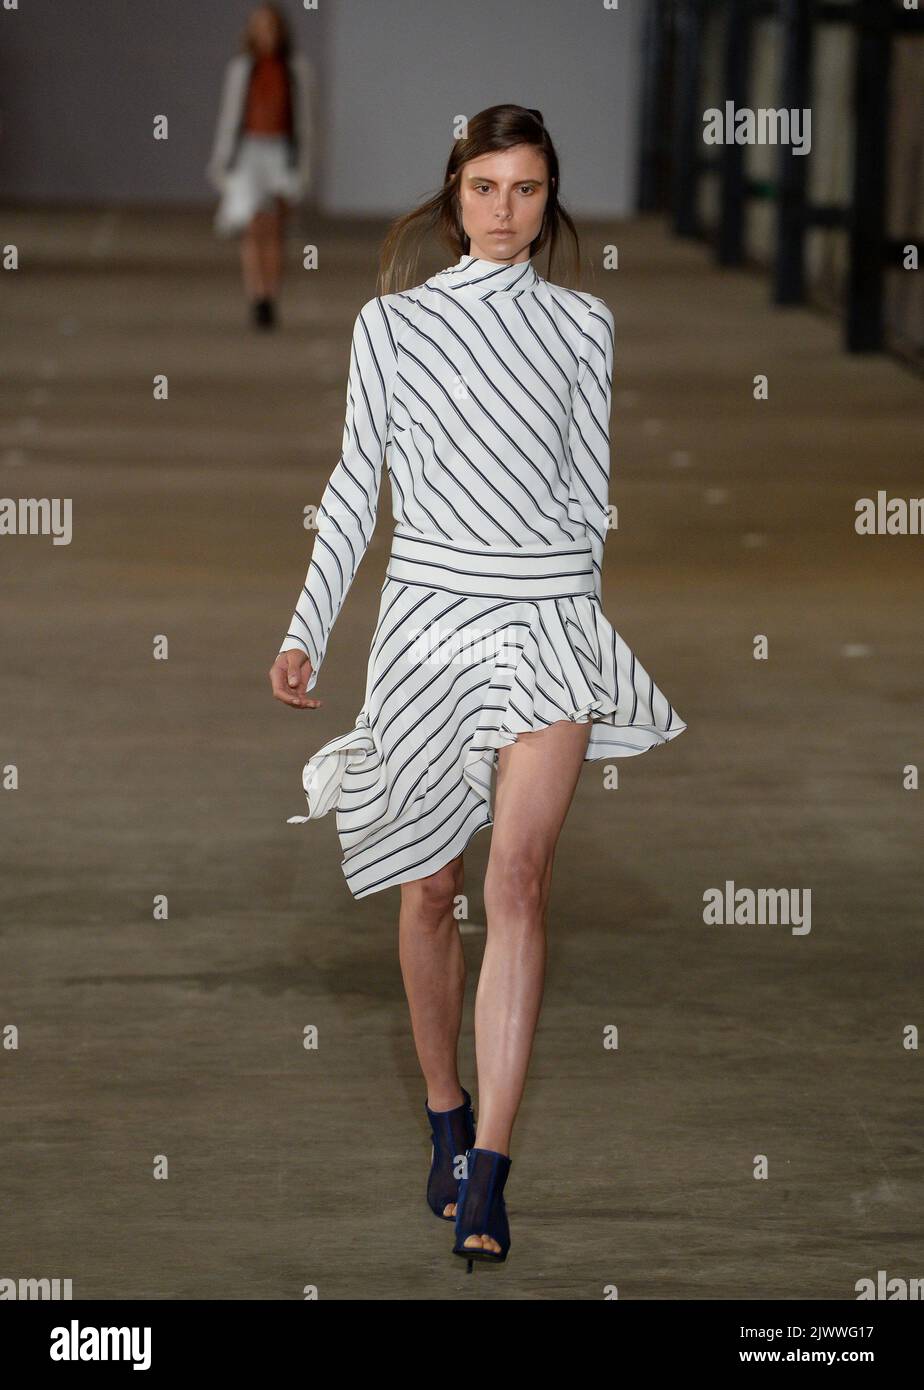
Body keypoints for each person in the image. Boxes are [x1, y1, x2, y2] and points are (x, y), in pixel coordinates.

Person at [268, 104, 687, 1270]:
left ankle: (490, 1168)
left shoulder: (584, 326)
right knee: (428, 889)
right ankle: (446, 1114)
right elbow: (357, 484)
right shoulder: (392, 325)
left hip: (548, 618)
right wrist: (307, 627)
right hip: (426, 622)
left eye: (529, 189)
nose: (507, 211)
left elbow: (589, 486)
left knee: (519, 876)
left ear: (553, 200)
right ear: (454, 194)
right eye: (487, 187)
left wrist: (583, 623)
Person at [206, 4, 316, 329]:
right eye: (261, 27)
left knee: (274, 228)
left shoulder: (296, 69)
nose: (267, 33)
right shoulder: (242, 69)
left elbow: (306, 122)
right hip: (249, 151)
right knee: (253, 226)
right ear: (252, 32)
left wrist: (305, 166)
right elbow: (230, 118)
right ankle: (257, 296)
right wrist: (222, 161)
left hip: (281, 153)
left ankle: (270, 294)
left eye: (272, 26)